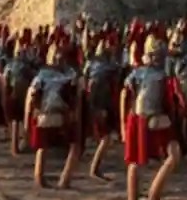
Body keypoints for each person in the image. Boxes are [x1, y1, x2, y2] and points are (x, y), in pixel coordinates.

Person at [120, 34, 184, 200]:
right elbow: (125, 94)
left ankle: (153, 196)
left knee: (174, 154)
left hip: (156, 117)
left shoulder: (164, 72)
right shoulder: (141, 73)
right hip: (140, 118)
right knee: (136, 161)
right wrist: (122, 126)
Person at [27, 41, 83, 189]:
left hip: (44, 115)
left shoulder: (41, 76)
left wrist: (32, 115)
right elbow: (75, 96)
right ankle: (65, 179)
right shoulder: (70, 75)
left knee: (43, 147)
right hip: (62, 115)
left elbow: (32, 95)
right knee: (75, 145)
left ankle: (39, 177)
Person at [83, 38, 122, 181]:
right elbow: (95, 88)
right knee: (105, 138)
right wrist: (100, 107)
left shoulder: (96, 65)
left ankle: (95, 168)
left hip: (101, 104)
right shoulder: (102, 69)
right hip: (99, 104)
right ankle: (94, 169)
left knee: (106, 138)